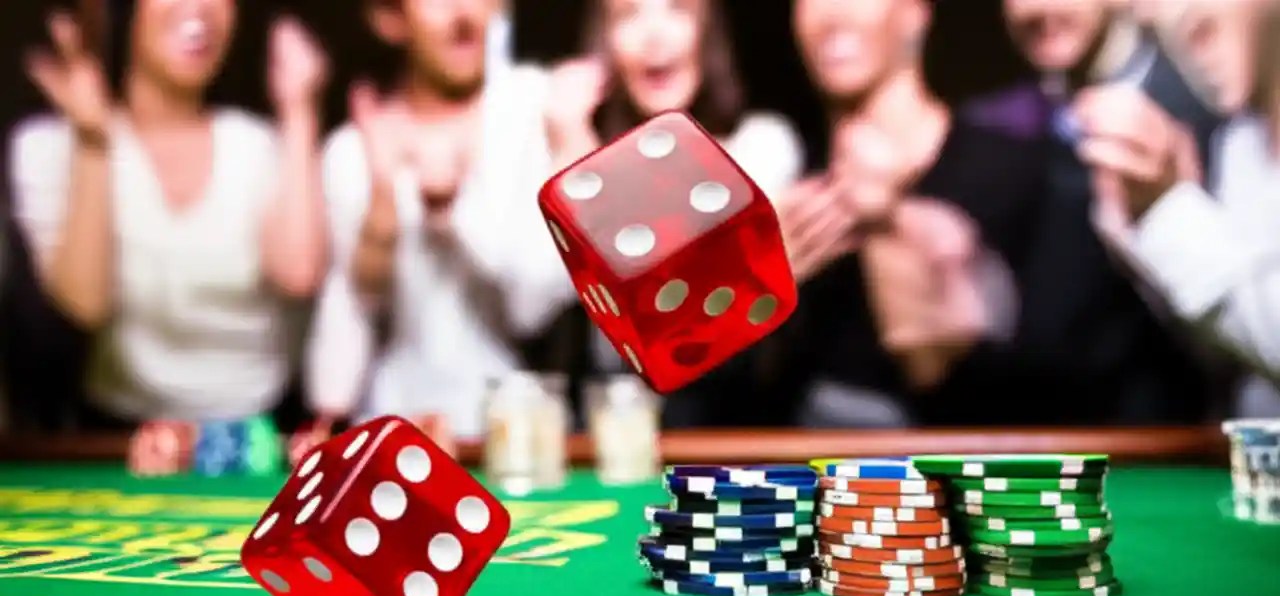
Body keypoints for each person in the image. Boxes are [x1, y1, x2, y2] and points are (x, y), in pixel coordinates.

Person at [8, 1, 329, 428]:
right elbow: (85, 303)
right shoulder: (45, 146)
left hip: (256, 431)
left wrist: (298, 108)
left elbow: (299, 273)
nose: (202, 8)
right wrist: (93, 143)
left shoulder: (260, 145)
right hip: (114, 434)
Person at [306, 0, 575, 438]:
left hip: (518, 434)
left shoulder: (538, 112)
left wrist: (451, 211)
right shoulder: (352, 149)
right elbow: (349, 313)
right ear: (392, 17)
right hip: (391, 429)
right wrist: (382, 212)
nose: (464, 12)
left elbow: (533, 307)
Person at [946, 0, 1224, 424]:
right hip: (1042, 441)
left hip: (1164, 447)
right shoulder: (1003, 123)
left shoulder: (1202, 105)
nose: (1036, 8)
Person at [536, 0, 805, 427]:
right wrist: (570, 143)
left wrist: (574, 154)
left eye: (677, 9)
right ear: (603, 49)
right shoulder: (571, 154)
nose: (654, 34)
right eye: (627, 16)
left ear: (706, 32)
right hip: (615, 424)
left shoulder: (763, 145)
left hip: (733, 428)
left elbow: (684, 263)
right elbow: (536, 298)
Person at [783, 0, 1043, 427]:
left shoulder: (1013, 171)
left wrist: (887, 220)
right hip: (812, 477)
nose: (832, 13)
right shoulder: (790, 181)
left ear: (915, 11)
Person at [1079, 0, 1280, 406]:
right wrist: (1137, 231)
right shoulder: (1236, 144)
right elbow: (1239, 360)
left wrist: (1167, 213)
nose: (1143, 12)